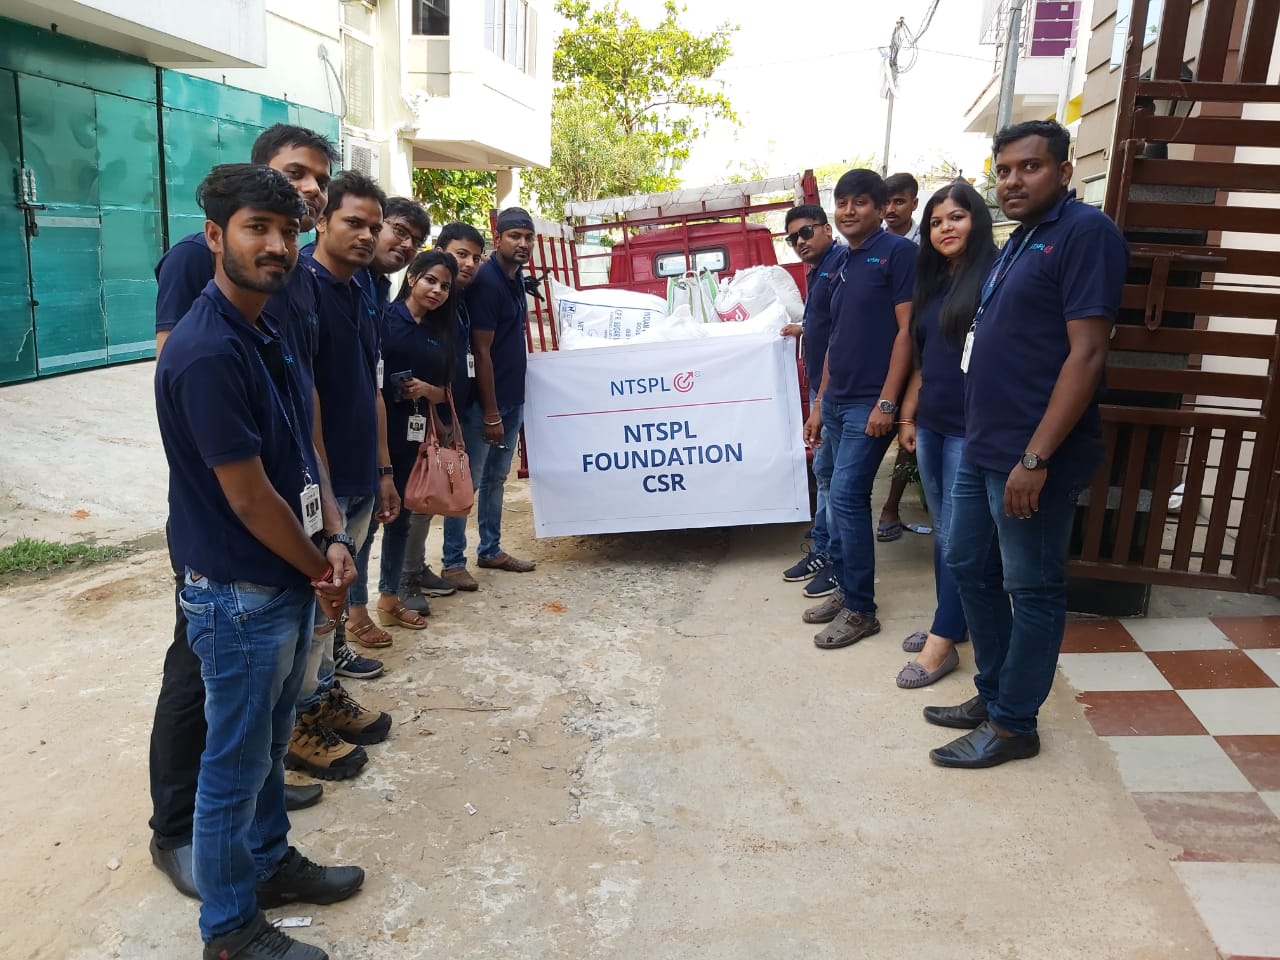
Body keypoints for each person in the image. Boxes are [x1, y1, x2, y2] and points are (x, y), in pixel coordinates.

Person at [155, 163, 364, 960]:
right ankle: (230, 931)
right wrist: (321, 565)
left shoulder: (267, 324)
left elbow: (299, 453)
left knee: (270, 749)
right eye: (256, 229)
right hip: (240, 594)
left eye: (286, 231)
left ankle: (271, 862)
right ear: (215, 237)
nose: (276, 246)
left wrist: (336, 535)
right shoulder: (207, 350)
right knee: (231, 772)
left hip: (284, 576)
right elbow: (248, 498)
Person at [925, 120, 1127, 768]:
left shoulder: (1085, 233)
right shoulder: (1022, 240)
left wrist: (1035, 459)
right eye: (1004, 169)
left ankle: (1015, 726)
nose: (1013, 180)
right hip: (983, 445)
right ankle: (994, 694)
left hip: (1033, 457)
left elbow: (1088, 354)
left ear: (1064, 171)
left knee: (1032, 588)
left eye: (1030, 167)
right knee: (968, 566)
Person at [286, 170, 399, 781]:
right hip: (319, 482)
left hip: (359, 470)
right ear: (322, 220)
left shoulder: (363, 290)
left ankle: (325, 694)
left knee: (332, 609)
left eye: (374, 227)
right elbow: (307, 404)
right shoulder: (298, 287)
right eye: (354, 222)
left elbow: (371, 386)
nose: (366, 235)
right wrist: (323, 492)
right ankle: (299, 723)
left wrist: (383, 468)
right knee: (313, 605)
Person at [802, 169, 916, 648]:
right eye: (842, 203)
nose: (850, 211)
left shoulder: (899, 254)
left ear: (880, 206)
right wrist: (819, 403)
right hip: (837, 400)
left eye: (860, 203)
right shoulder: (843, 262)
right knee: (830, 482)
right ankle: (847, 591)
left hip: (870, 402)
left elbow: (910, 332)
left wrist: (888, 402)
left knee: (847, 496)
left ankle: (861, 608)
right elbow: (833, 340)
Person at [893, 180, 997, 689]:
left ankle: (942, 646)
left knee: (960, 537)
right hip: (931, 423)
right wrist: (909, 417)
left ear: (976, 220)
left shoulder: (992, 278)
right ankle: (949, 624)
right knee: (944, 533)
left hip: (968, 429)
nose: (945, 228)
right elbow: (926, 360)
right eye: (935, 222)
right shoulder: (934, 283)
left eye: (955, 217)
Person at [444, 207, 538, 578]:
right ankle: (453, 561)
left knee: (497, 479)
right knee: (467, 481)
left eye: (528, 237)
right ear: (497, 239)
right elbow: (481, 351)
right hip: (487, 404)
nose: (523, 244)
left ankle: (490, 549)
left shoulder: (515, 278)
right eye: (515, 236)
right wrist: (491, 412)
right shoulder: (487, 282)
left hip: (512, 397)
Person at [376, 250, 461, 615]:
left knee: (405, 514)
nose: (437, 291)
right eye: (431, 280)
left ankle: (394, 589)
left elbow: (447, 391)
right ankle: (353, 609)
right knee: (366, 521)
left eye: (444, 286)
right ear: (412, 278)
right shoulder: (384, 319)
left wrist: (427, 390)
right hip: (380, 430)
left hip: (417, 435)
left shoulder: (441, 330)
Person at [406, 222, 487, 592]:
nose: (468, 264)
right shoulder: (413, 315)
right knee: (417, 497)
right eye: (460, 254)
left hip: (447, 410)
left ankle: (419, 569)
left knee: (439, 493)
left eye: (475, 257)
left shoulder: (458, 303)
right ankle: (406, 579)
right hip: (417, 419)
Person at [778, 204, 847, 602]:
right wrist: (802, 328)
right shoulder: (821, 269)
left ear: (825, 228)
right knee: (824, 474)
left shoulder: (840, 267)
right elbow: (825, 321)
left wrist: (820, 403)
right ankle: (823, 549)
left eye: (806, 233)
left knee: (836, 481)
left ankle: (836, 560)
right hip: (822, 388)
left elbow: (842, 335)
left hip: (834, 393)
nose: (800, 242)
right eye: (792, 238)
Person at [877, 171, 923, 543]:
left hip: (920, 348)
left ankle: (891, 506)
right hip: (880, 352)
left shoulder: (929, 243)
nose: (892, 210)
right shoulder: (865, 245)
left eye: (899, 201)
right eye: (886, 202)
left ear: (913, 203)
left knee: (910, 426)